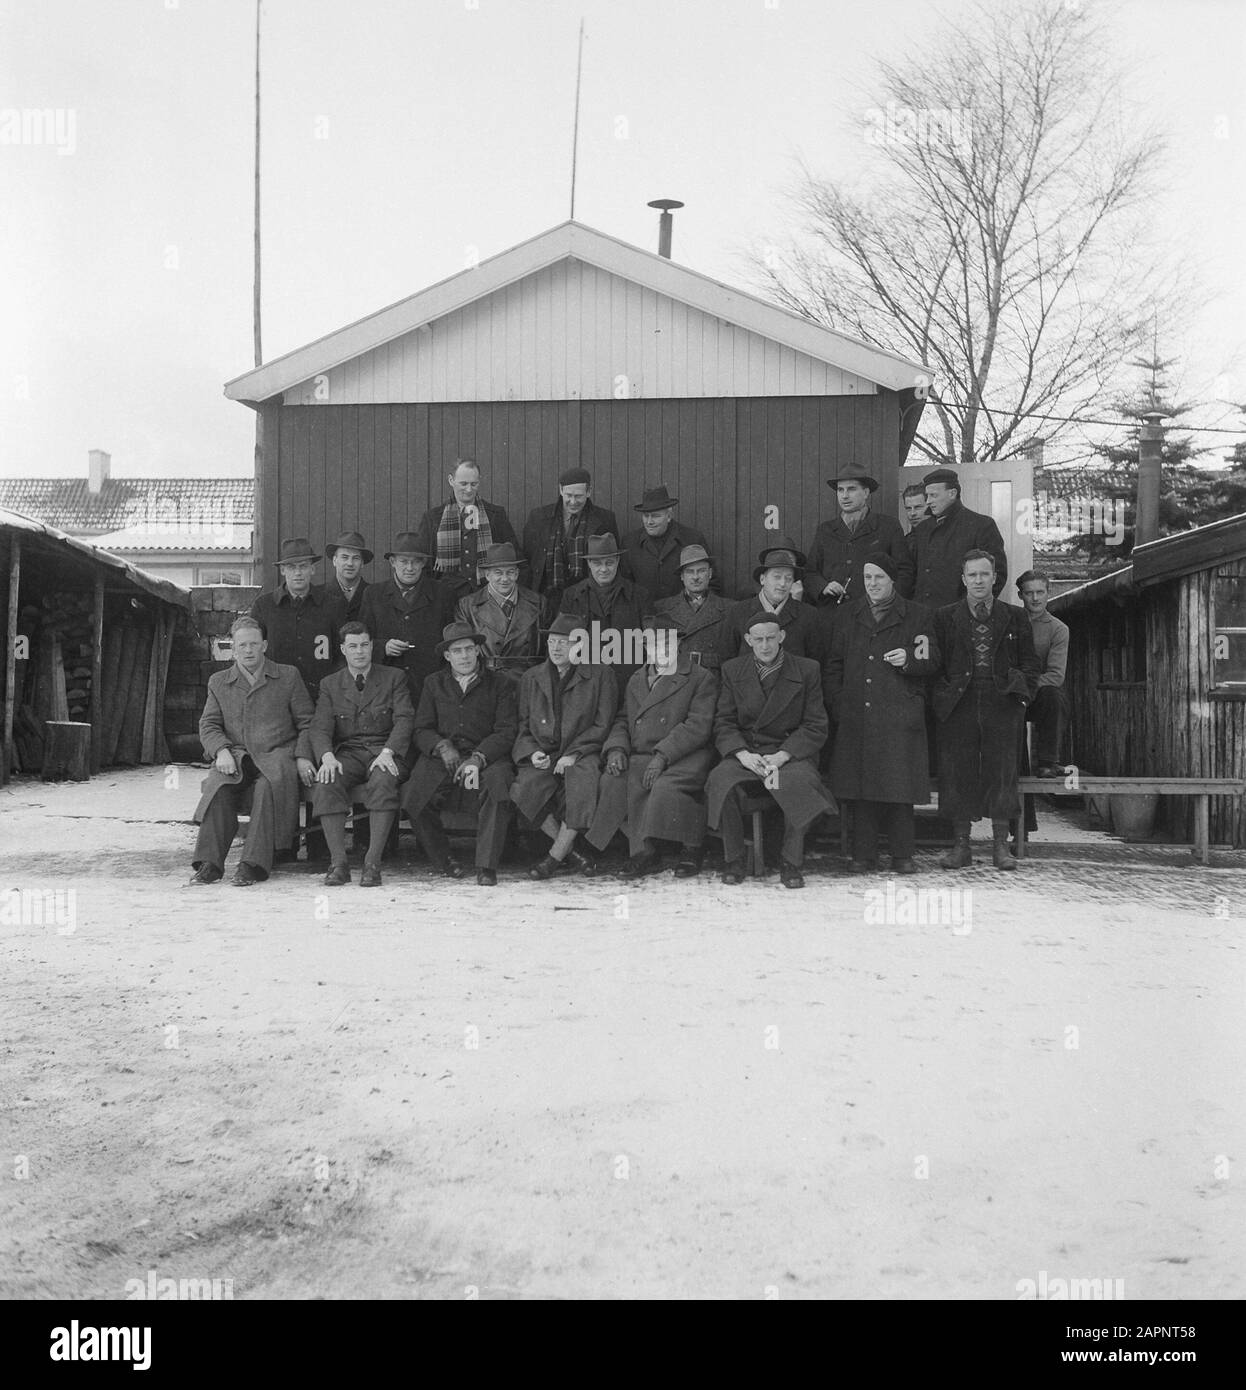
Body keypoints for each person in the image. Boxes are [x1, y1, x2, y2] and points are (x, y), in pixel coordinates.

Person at [824, 554, 939, 874]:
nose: (872, 584)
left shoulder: (917, 615)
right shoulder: (848, 615)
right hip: (858, 713)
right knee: (862, 789)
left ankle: (903, 855)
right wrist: (839, 704)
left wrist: (909, 661)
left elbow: (932, 660)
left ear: (892, 581)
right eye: (868, 578)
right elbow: (834, 664)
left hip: (899, 715)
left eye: (879, 578)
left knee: (899, 789)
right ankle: (865, 854)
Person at [586, 611, 718, 878]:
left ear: (678, 644)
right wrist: (616, 749)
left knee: (663, 787)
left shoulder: (699, 677)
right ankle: (643, 850)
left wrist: (662, 756)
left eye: (668, 643)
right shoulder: (637, 679)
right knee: (612, 781)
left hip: (684, 755)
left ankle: (693, 847)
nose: (662, 650)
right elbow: (623, 719)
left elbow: (697, 725)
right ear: (646, 646)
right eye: (655, 644)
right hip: (642, 754)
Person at [706, 611, 833, 889]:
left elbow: (815, 725)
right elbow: (724, 722)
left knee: (796, 783)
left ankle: (791, 861)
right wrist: (742, 754)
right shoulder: (733, 670)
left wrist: (783, 755)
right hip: (749, 755)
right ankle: (734, 858)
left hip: (787, 756)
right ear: (748, 640)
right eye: (759, 639)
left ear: (782, 637)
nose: (765, 646)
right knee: (721, 781)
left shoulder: (807, 669)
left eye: (771, 638)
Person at [931, 551, 1039, 871]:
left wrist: (1020, 696)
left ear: (995, 578)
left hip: (1001, 703)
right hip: (958, 703)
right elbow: (935, 667)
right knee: (957, 771)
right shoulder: (945, 617)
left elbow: (1031, 665)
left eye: (984, 574)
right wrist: (942, 698)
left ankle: (999, 847)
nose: (979, 581)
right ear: (963, 579)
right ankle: (961, 846)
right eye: (972, 575)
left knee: (1002, 771)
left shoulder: (1015, 616)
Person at [190, 616, 316, 886]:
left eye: (254, 644)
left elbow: (308, 722)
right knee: (220, 788)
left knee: (265, 789)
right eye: (242, 645)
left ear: (265, 646)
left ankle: (253, 864)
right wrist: (221, 750)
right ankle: (210, 864)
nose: (248, 650)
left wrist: (303, 755)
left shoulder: (287, 676)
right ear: (233, 649)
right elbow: (209, 724)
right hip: (237, 757)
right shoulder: (219, 682)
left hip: (276, 755)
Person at [404, 622, 518, 887]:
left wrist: (478, 758)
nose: (464, 656)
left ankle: (486, 866)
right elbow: (421, 728)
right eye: (457, 651)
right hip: (446, 756)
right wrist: (442, 746)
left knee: (497, 787)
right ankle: (444, 860)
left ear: (478, 651)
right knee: (414, 796)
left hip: (487, 755)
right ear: (447, 656)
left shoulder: (500, 683)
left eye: (469, 649)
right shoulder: (434, 683)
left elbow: (506, 730)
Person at [309, 620, 415, 888]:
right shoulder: (330, 684)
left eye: (365, 645)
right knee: (328, 780)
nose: (360, 652)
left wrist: (389, 751)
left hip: (385, 751)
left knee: (382, 779)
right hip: (350, 753)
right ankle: (339, 863)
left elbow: (404, 719)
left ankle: (372, 863)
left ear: (372, 647)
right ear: (343, 649)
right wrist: (327, 757)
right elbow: (320, 727)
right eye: (353, 646)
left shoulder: (393, 677)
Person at [511, 614, 617, 879]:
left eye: (565, 643)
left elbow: (602, 725)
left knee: (580, 790)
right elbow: (523, 727)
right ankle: (572, 853)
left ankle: (552, 859)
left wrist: (573, 754)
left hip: (583, 752)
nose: (556, 648)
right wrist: (532, 752)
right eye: (552, 642)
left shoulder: (601, 675)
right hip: (544, 752)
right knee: (524, 788)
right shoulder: (531, 677)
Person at [359, 532, 453, 707]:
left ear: (423, 563)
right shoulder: (373, 594)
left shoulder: (442, 594)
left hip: (430, 684)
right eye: (404, 561)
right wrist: (383, 646)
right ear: (393, 562)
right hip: (387, 686)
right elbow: (362, 640)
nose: (409, 567)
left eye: (416, 561)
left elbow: (450, 641)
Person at [250, 537, 346, 702]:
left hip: (321, 696)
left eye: (303, 566)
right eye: (291, 567)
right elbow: (253, 652)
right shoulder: (264, 606)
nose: (298, 573)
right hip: (276, 697)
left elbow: (342, 654)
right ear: (282, 570)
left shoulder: (333, 606)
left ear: (313, 569)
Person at [413, 458, 519, 605]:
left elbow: (513, 559)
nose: (469, 490)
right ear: (451, 480)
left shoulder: (495, 515)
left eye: (474, 484)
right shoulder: (433, 518)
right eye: (463, 484)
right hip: (445, 598)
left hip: (487, 598)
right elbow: (424, 565)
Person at [521, 467, 620, 622]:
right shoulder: (538, 517)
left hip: (586, 599)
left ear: (589, 491)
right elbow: (528, 559)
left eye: (579, 496)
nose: (573, 502)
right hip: (545, 598)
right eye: (569, 495)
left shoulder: (605, 519)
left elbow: (611, 560)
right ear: (560, 490)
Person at [559, 534, 651, 693]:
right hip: (584, 686)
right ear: (588, 563)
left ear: (618, 561)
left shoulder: (639, 596)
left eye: (609, 563)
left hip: (628, 685)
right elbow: (561, 643)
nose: (603, 569)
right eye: (597, 563)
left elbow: (652, 645)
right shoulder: (572, 596)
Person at [806, 473, 913, 607]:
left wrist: (887, 604)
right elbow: (810, 572)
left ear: (866, 492)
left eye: (851, 489)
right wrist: (823, 587)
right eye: (840, 490)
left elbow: (905, 571)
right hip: (834, 614)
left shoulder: (888, 526)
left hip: (874, 615)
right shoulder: (825, 530)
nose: (845, 496)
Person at [909, 468, 1009, 608]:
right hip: (923, 615)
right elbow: (911, 572)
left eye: (933, 495)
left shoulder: (981, 525)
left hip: (960, 618)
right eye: (927, 496)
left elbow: (996, 574)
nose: (929, 501)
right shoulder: (922, 529)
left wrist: (970, 611)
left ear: (952, 493)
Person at [453, 541, 542, 682]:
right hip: (485, 680)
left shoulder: (538, 603)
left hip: (528, 680)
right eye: (498, 573)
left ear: (517, 574)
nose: (505, 579)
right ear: (487, 575)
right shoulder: (467, 605)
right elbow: (462, 649)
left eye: (510, 572)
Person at [724, 541, 825, 660]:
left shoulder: (809, 615)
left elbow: (816, 664)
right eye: (777, 577)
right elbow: (726, 660)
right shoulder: (738, 612)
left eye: (788, 578)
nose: (783, 583)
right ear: (762, 579)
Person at [620, 484, 719, 601]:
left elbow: (711, 582)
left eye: (656, 516)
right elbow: (625, 586)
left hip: (684, 616)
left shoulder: (692, 539)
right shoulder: (630, 543)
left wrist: (695, 612)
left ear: (669, 516)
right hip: (644, 616)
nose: (649, 521)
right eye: (646, 516)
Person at [1016, 570, 1069, 776]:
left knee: (1053, 695)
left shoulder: (1058, 629)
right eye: (1029, 593)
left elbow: (1056, 675)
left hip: (1036, 695)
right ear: (1021, 595)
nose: (1035, 598)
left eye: (1040, 592)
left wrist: (1025, 686)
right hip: (1009, 693)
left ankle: (1048, 762)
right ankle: (1010, 763)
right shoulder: (1008, 621)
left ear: (1049, 592)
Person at [654, 544, 734, 671]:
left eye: (701, 571)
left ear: (710, 573)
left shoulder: (730, 609)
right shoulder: (662, 609)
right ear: (681, 576)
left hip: (712, 681)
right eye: (690, 572)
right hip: (676, 683)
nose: (696, 577)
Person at [317, 531, 372, 620]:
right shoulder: (318, 595)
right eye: (344, 557)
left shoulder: (374, 596)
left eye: (356, 558)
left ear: (362, 563)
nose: (350, 563)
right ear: (334, 560)